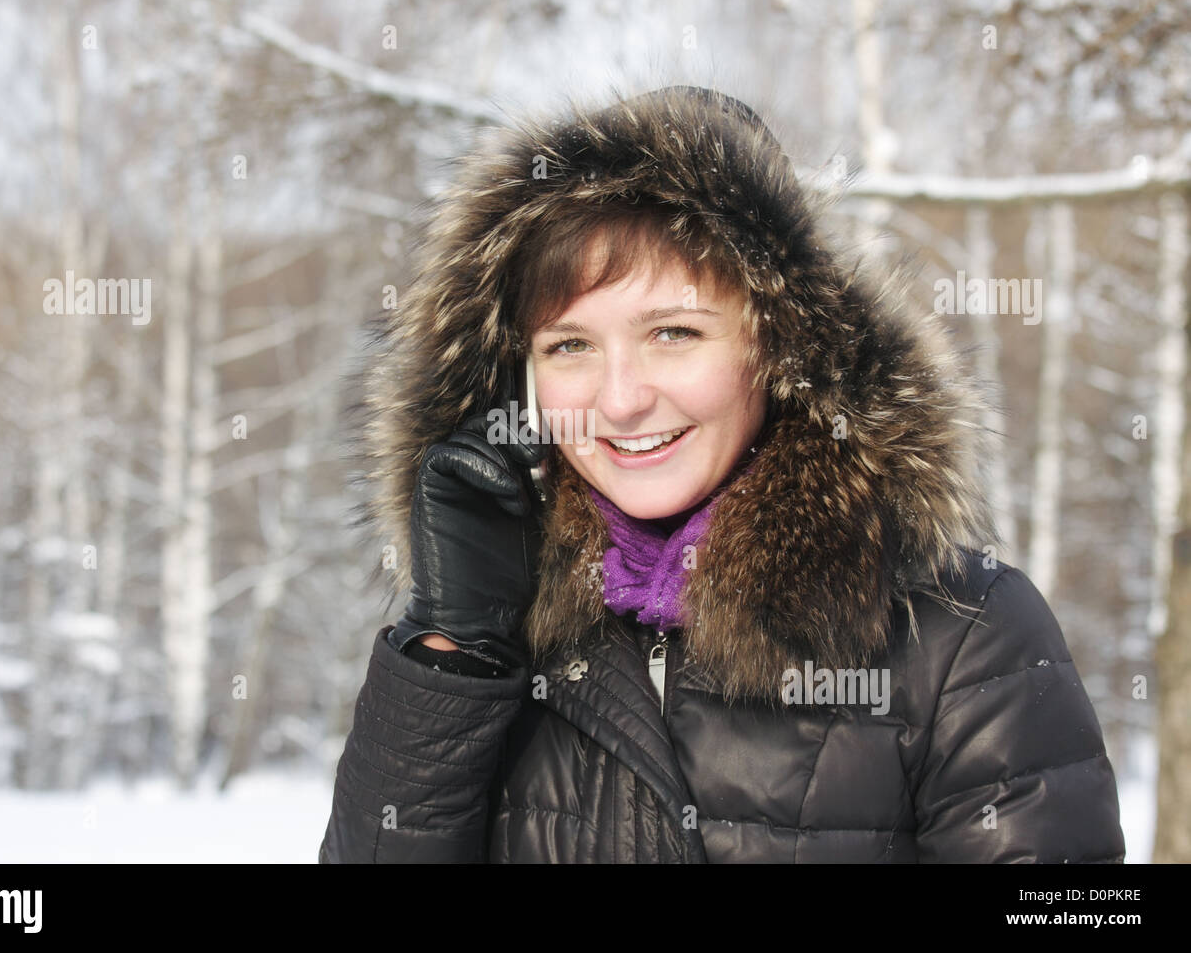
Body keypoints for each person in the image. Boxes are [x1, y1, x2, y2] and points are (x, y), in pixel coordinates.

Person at [319, 85, 1126, 863]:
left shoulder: (964, 632)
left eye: (674, 333)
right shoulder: (496, 623)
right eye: (570, 345)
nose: (622, 400)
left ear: (780, 347)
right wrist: (454, 644)